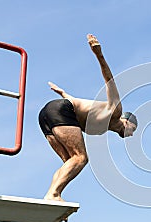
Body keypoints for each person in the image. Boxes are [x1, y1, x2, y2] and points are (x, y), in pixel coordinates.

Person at [38, 34, 137, 201]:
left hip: (47, 115)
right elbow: (110, 82)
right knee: (81, 157)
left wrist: (62, 92)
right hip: (61, 111)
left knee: (70, 161)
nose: (132, 134)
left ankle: (52, 196)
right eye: (133, 129)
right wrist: (98, 54)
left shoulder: (102, 126)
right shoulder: (115, 111)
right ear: (127, 121)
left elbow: (78, 103)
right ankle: (53, 194)